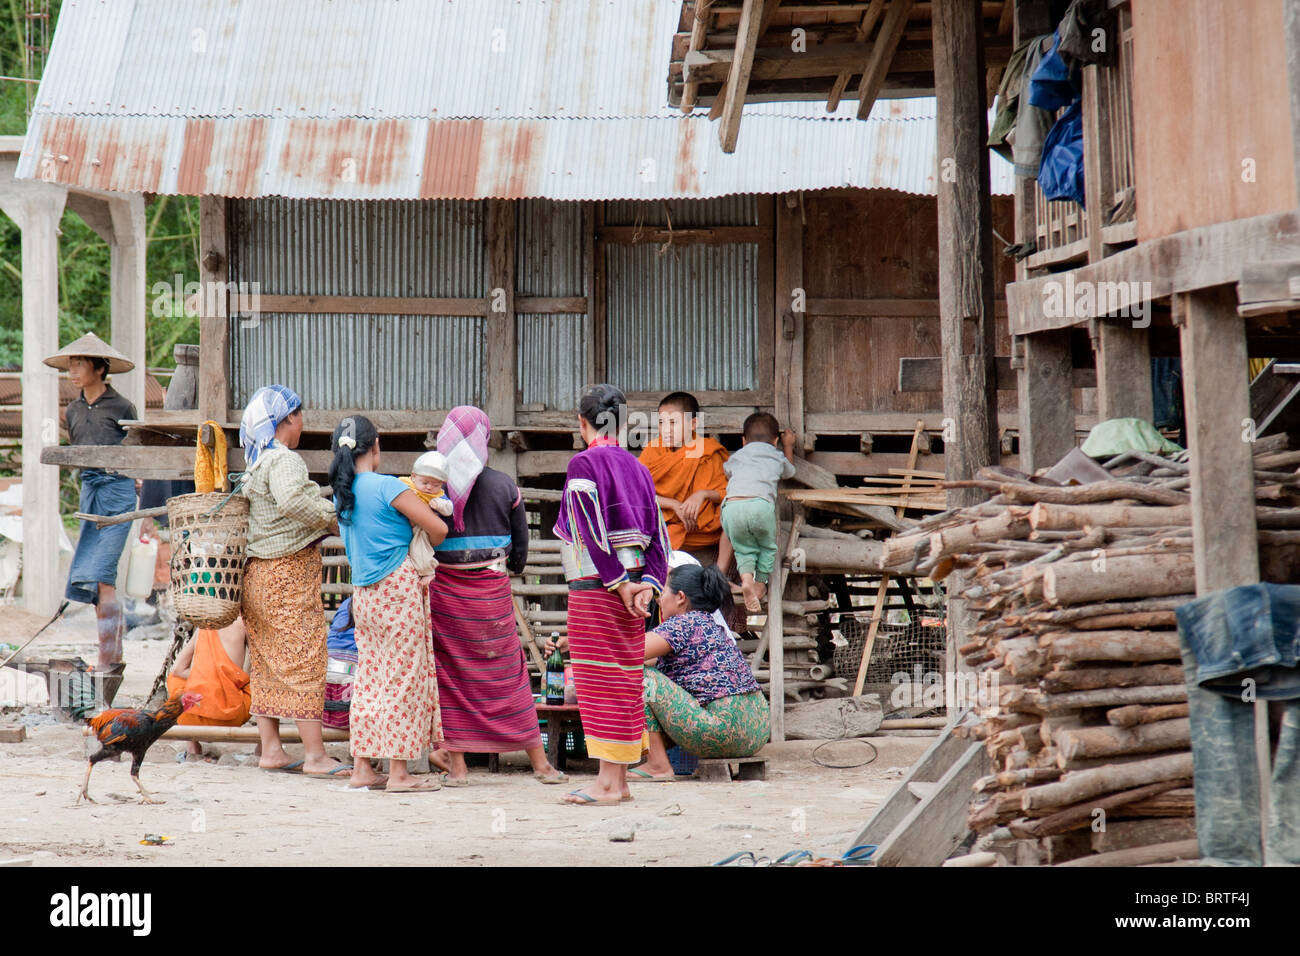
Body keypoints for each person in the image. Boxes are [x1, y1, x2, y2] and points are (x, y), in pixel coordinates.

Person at [426, 406, 566, 786]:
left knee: (451, 679)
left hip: (446, 600)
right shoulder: (505, 486)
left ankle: (458, 768)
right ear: (483, 439)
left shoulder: (430, 488)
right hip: (491, 600)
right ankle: (540, 765)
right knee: (509, 677)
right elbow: (519, 555)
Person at [554, 384, 670, 806]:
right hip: (635, 590)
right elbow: (660, 540)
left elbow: (587, 527)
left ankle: (605, 783)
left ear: (583, 423)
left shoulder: (583, 464)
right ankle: (618, 781)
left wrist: (619, 583)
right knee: (624, 679)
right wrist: (647, 587)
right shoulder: (640, 470)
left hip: (597, 588)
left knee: (599, 679)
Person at [330, 415, 449, 794]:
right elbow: (439, 529)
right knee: (403, 678)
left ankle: (362, 768)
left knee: (369, 678)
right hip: (397, 589)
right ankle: (399, 774)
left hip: (363, 594)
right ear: (376, 445)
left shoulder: (342, 491)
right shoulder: (388, 487)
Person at [238, 385, 344, 777]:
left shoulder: (257, 463)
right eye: (300, 416)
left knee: (267, 662)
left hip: (257, 576)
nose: (303, 424)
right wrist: (334, 517)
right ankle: (315, 755)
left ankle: (271, 750)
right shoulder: (284, 461)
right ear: (288, 420)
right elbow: (293, 501)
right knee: (304, 659)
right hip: (286, 575)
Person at [44, 333, 140, 671]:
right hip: (90, 492)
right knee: (93, 575)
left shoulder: (122, 406)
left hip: (118, 492)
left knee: (103, 574)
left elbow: (136, 452)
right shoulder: (72, 409)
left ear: (100, 369)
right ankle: (112, 656)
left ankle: (106, 659)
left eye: (80, 364)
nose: (72, 371)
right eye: (70, 365)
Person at [629, 563, 769, 781]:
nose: (658, 599)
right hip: (757, 731)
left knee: (637, 676)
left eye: (663, 591)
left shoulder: (682, 623)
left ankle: (657, 764)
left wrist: (575, 642)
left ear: (681, 597)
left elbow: (627, 652)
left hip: (723, 731)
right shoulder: (710, 625)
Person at [638, 391, 733, 571]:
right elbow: (636, 493)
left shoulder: (707, 451)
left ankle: (719, 575)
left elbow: (727, 492)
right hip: (663, 525)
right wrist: (673, 504)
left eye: (673, 422)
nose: (666, 429)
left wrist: (702, 495)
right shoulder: (653, 451)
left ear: (693, 424)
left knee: (733, 517)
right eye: (661, 422)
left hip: (700, 528)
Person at [722, 412, 797, 611]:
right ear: (775, 441)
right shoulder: (776, 455)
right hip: (760, 506)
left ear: (743, 441)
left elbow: (727, 470)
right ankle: (760, 583)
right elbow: (790, 471)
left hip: (733, 507)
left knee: (743, 548)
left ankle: (745, 579)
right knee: (767, 547)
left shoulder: (738, 455)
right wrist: (788, 446)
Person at [166, 616, 252, 759]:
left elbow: (177, 670)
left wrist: (204, 678)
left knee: (175, 680)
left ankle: (192, 747)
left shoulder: (203, 624)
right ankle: (262, 749)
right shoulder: (244, 624)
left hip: (191, 718)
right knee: (261, 683)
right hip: (231, 717)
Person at [399, 450, 455, 580]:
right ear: (413, 476)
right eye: (425, 483)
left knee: (420, 548)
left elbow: (449, 509)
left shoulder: (438, 496)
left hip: (420, 528)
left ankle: (427, 571)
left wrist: (439, 505)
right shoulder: (404, 484)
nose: (429, 488)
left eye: (435, 485)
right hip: (402, 524)